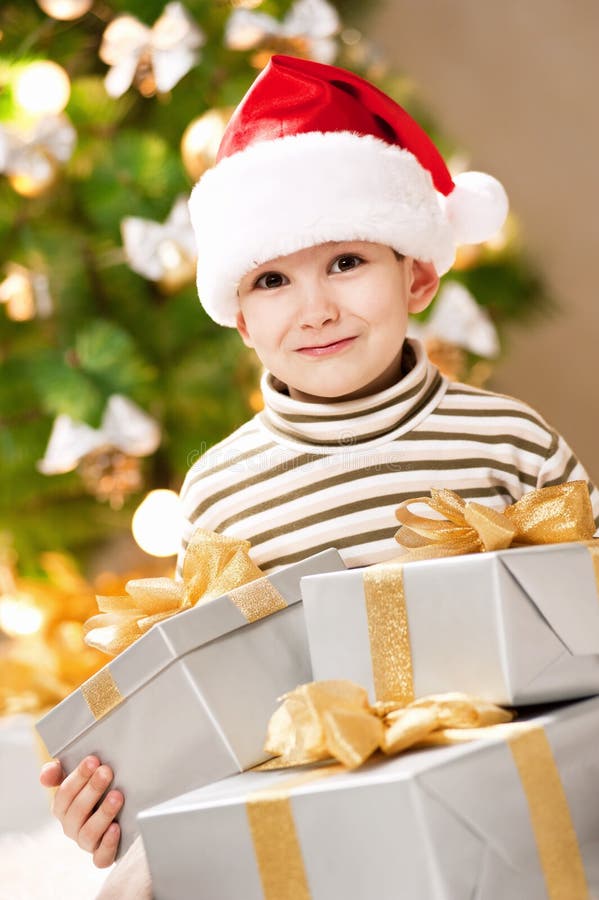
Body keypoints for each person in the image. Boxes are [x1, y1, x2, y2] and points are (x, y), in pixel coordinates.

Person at [40, 53, 599, 883]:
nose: (317, 309)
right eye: (272, 279)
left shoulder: (506, 439)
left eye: (345, 262)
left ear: (414, 272)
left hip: (494, 788)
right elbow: (212, 707)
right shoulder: (218, 494)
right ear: (238, 317)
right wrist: (114, 796)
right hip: (307, 810)